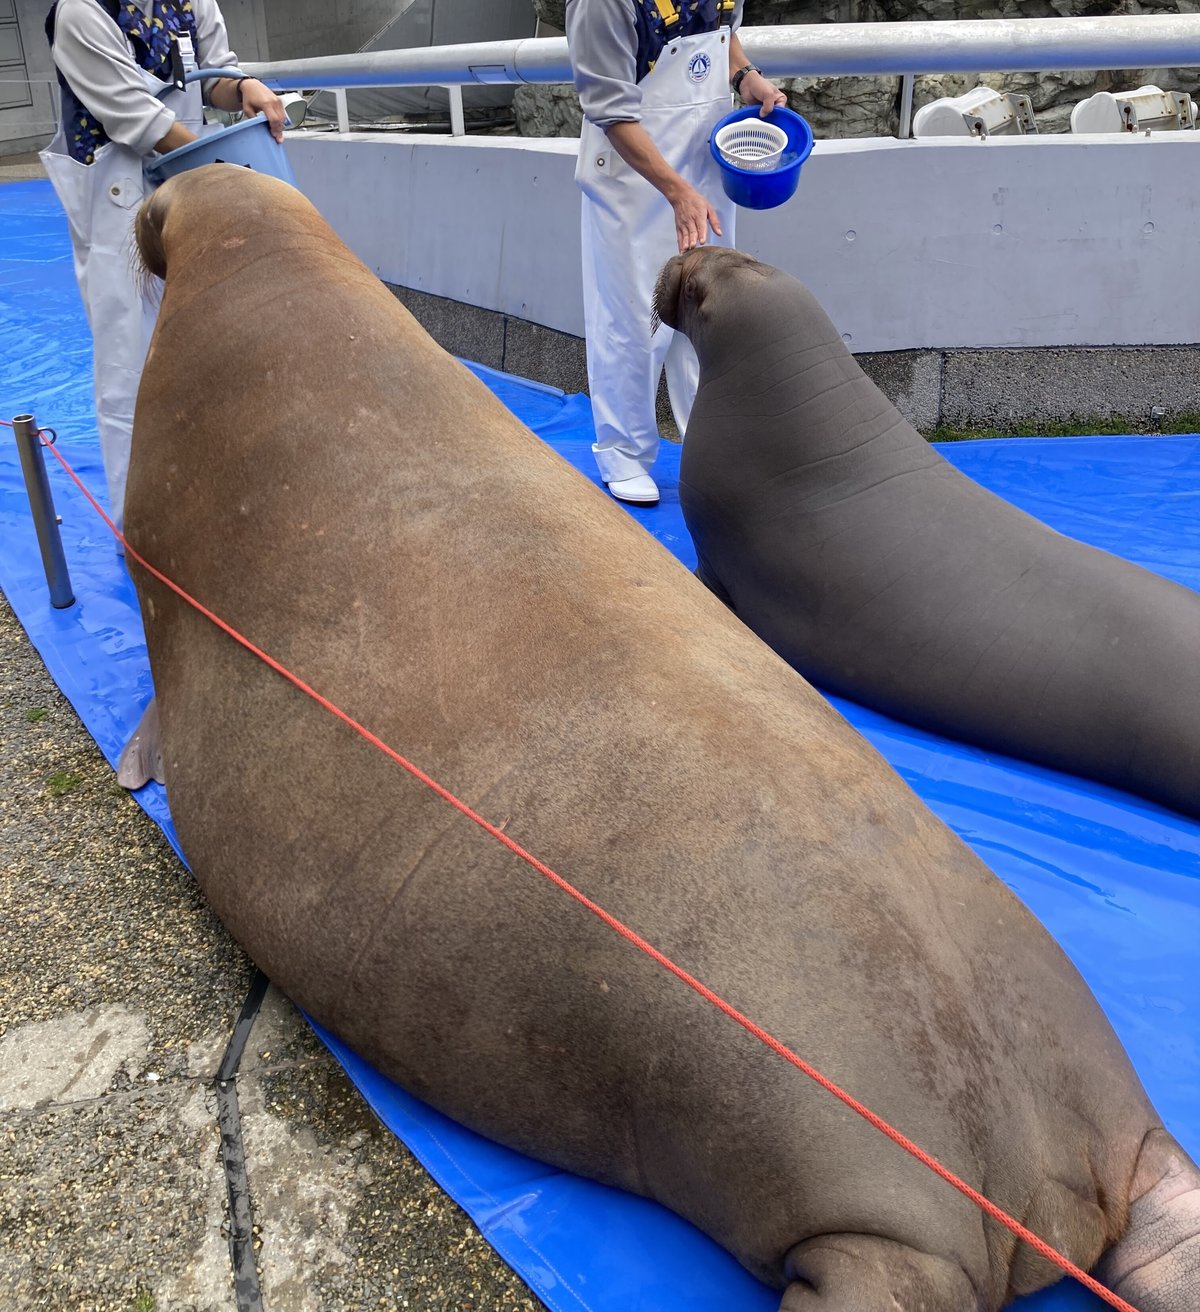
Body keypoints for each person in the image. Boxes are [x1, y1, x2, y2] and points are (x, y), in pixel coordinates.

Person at [40, 0, 286, 531]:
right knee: (133, 366)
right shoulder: (80, 13)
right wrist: (223, 165)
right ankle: (144, 528)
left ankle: (217, 496)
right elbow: (138, 117)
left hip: (191, 187)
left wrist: (244, 88)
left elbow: (210, 77)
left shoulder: (190, 1)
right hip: (120, 200)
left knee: (210, 346)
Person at [566, 0, 785, 505]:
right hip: (631, 176)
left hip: (702, 160)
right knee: (633, 321)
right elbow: (610, 111)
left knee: (711, 308)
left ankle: (709, 449)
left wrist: (746, 76)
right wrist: (675, 191)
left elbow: (722, 30)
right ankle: (624, 453)